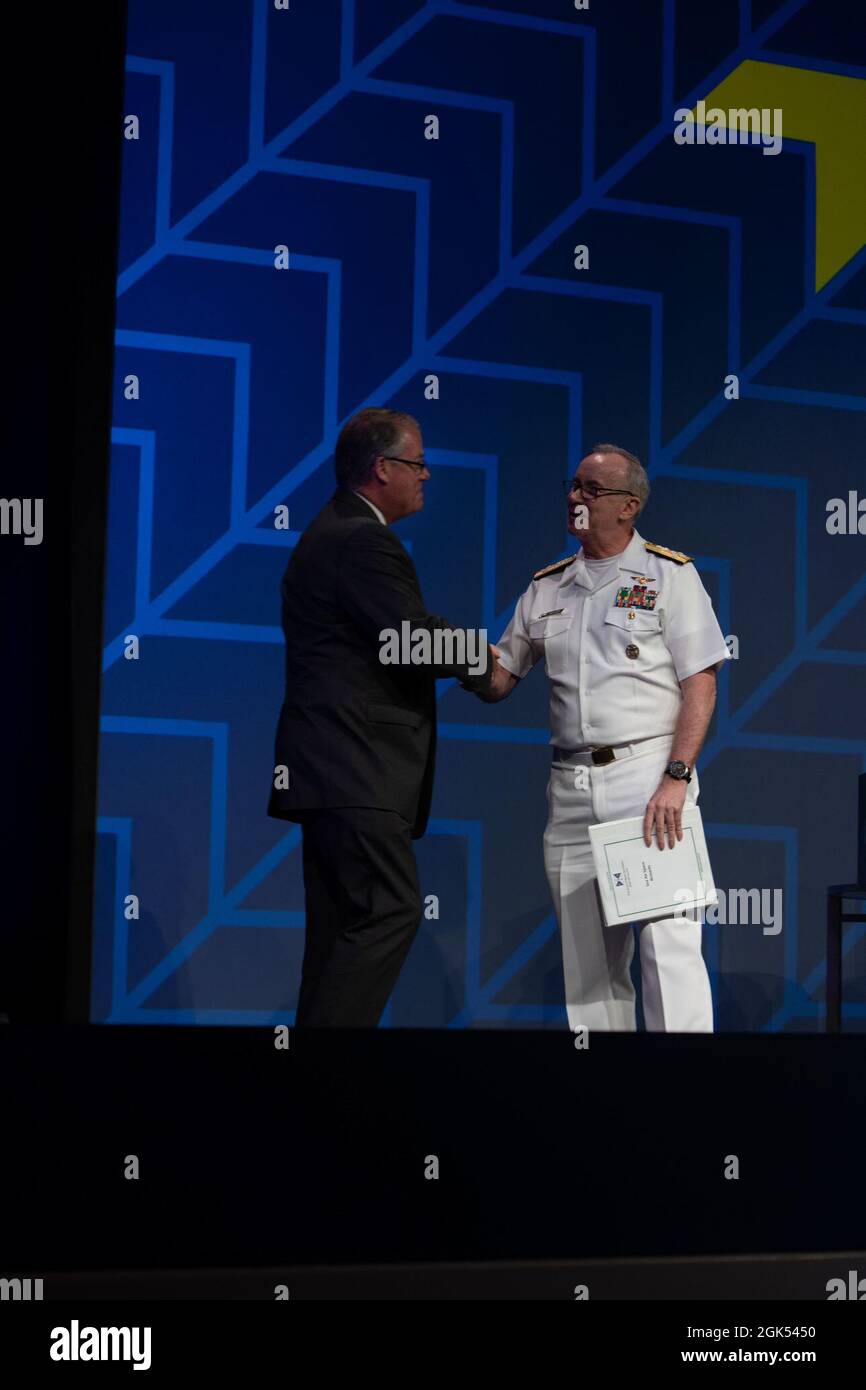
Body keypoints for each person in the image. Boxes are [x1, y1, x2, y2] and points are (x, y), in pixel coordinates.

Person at [477, 444, 731, 1032]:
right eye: (574, 486)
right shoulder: (547, 586)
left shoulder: (670, 575)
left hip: (648, 780)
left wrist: (677, 777)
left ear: (628, 506)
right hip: (570, 785)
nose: (575, 498)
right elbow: (498, 680)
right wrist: (451, 655)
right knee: (587, 967)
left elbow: (702, 685)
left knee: (668, 950)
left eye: (592, 490)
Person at [268, 407, 496, 1026]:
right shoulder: (361, 539)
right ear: (381, 468)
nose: (426, 475)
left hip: (328, 773)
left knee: (342, 929)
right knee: (388, 912)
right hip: (356, 768)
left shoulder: (331, 531)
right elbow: (408, 639)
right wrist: (486, 661)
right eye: (417, 463)